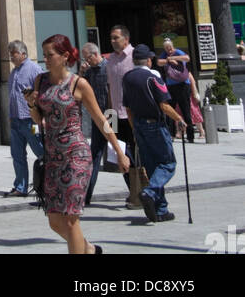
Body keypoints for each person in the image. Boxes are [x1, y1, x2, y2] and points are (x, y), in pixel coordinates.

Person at [26, 34, 129, 256]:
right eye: (44, 55)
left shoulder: (78, 84)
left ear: (64, 56)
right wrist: (32, 103)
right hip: (53, 157)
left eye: (50, 55)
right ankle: (89, 249)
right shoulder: (40, 81)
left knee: (71, 220)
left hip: (76, 156)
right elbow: (37, 119)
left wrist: (119, 152)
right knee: (55, 221)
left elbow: (102, 120)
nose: (45, 59)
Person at [123, 43, 187, 223]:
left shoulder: (127, 78)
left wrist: (134, 127)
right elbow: (164, 105)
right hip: (154, 125)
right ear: (149, 60)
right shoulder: (153, 77)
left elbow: (127, 107)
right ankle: (150, 192)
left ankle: (160, 208)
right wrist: (179, 119)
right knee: (167, 164)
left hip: (139, 125)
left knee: (152, 168)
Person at [106, 23, 142, 208]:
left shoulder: (135, 56)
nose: (112, 41)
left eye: (116, 38)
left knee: (136, 154)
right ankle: (133, 191)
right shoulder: (110, 60)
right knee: (120, 154)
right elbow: (110, 89)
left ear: (126, 39)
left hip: (132, 114)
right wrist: (109, 119)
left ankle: (140, 193)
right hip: (115, 114)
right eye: (111, 38)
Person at [4, 40, 43, 197]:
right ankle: (20, 186)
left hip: (30, 119)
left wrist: (41, 115)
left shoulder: (34, 69)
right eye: (10, 55)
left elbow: (41, 92)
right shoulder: (14, 72)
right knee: (17, 154)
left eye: (13, 54)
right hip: (16, 119)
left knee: (40, 151)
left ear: (23, 54)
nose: (11, 58)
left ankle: (49, 183)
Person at [79, 43, 110, 208]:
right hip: (96, 116)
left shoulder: (108, 68)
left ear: (95, 54)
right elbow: (78, 88)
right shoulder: (90, 72)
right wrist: (82, 72)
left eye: (87, 58)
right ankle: (86, 195)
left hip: (110, 114)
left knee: (118, 151)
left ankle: (136, 190)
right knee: (95, 154)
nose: (86, 61)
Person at [157, 37, 194, 143]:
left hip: (183, 84)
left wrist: (175, 58)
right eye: (166, 48)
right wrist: (169, 60)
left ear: (172, 46)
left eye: (170, 47)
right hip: (171, 85)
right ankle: (171, 134)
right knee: (170, 110)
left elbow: (187, 58)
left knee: (185, 109)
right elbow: (159, 62)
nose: (168, 49)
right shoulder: (165, 54)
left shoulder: (178, 52)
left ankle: (190, 135)